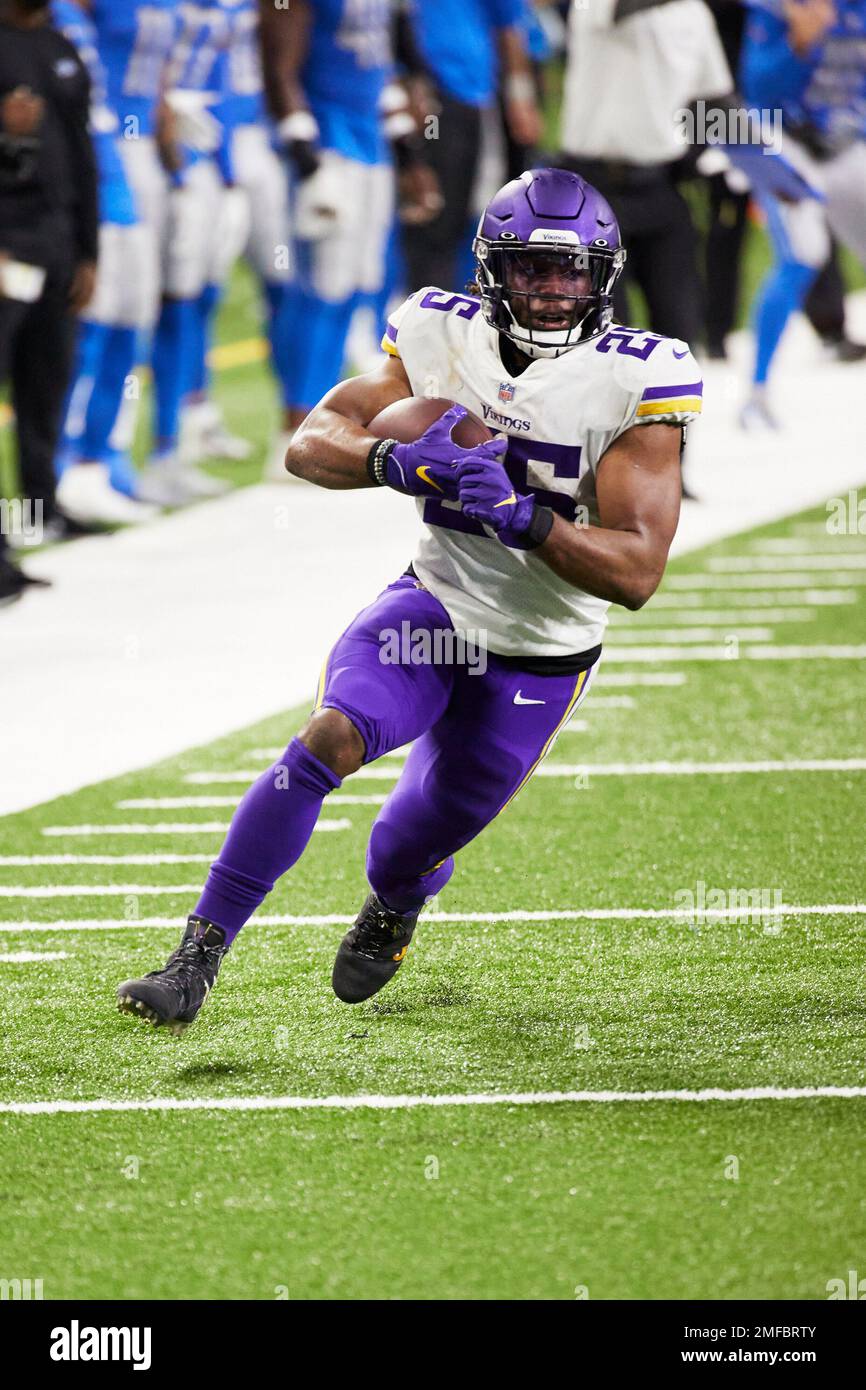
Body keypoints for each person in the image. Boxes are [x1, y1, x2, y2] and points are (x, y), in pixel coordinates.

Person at [115, 167, 702, 1032]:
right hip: (434, 605)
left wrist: (523, 517)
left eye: (569, 270)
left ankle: (400, 900)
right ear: (490, 272)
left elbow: (637, 572)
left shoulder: (637, 379)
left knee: (406, 845)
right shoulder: (438, 331)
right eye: (529, 269)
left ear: (602, 276)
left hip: (539, 653)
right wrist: (388, 463)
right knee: (324, 740)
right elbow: (312, 442)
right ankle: (195, 957)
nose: (549, 291)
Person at [559, 0, 733, 346]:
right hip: (593, 189)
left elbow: (712, 97)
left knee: (679, 328)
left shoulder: (695, 12)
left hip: (661, 183)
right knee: (602, 333)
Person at [0, 0, 98, 603]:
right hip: (8, 246)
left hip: (57, 244)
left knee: (46, 383)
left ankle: (38, 512)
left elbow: (82, 156)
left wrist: (89, 252)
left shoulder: (61, 47)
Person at [738, 0, 866, 428]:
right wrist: (799, 41)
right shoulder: (779, 9)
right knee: (802, 254)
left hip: (846, 141)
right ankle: (756, 392)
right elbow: (758, 89)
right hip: (785, 139)